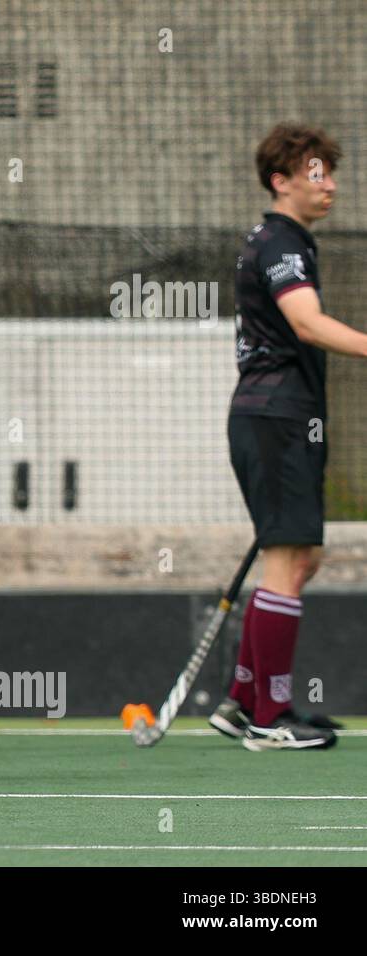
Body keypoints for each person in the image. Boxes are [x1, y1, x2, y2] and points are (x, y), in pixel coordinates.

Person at [210, 122, 357, 751]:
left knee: (302, 558)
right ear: (282, 180)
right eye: (318, 174)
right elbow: (307, 322)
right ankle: (270, 719)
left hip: (279, 417)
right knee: (287, 563)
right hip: (277, 417)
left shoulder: (282, 239)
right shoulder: (281, 243)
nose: (332, 187)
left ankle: (243, 701)